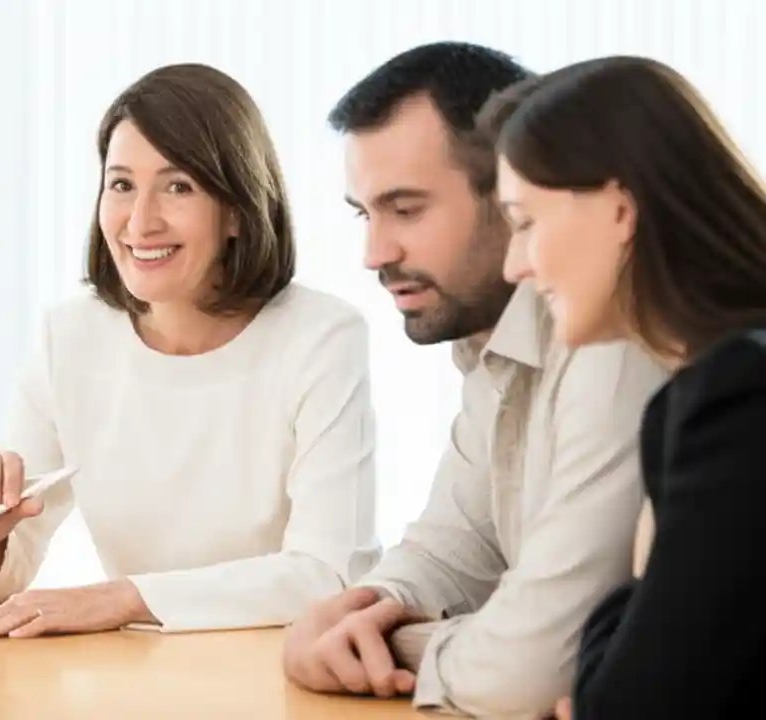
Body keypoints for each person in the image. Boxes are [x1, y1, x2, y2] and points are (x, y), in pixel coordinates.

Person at [282, 42, 669, 717]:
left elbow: (535, 667)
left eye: (405, 210)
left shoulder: (613, 339)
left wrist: (397, 647)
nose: (375, 253)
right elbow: (455, 545)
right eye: (363, 213)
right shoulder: (493, 343)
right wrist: (359, 614)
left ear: (515, 190)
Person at [0, 63, 382, 639]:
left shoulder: (321, 336)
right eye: (122, 184)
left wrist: (126, 597)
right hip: (148, 676)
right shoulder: (70, 336)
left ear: (236, 208)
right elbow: (8, 576)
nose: (140, 221)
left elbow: (325, 575)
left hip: (294, 670)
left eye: (178, 186)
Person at [481, 56, 766, 720]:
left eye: (524, 222)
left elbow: (622, 705)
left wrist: (640, 570)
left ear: (618, 209)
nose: (514, 264)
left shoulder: (736, 396)